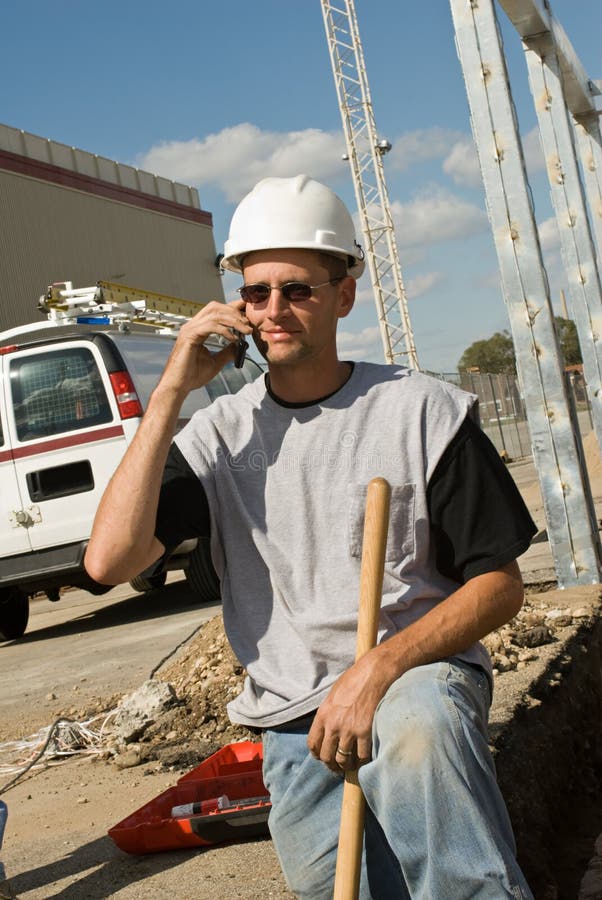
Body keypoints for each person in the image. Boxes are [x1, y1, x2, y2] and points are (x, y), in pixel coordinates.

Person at [85, 174, 537, 898]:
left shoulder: (420, 413)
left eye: (297, 290)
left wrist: (377, 670)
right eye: (256, 292)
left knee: (427, 757)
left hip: (414, 680)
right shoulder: (215, 441)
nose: (273, 310)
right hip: (293, 722)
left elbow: (499, 583)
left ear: (343, 294)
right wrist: (172, 387)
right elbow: (108, 562)